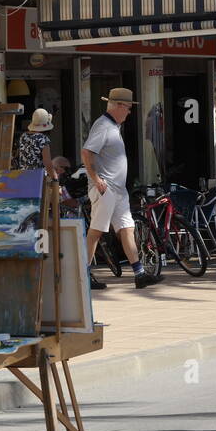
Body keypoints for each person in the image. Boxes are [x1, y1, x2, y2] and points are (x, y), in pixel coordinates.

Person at [82, 87, 161, 290]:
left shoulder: (112, 126)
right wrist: (96, 180)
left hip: (117, 190)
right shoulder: (104, 126)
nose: (129, 111)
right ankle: (83, 274)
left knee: (127, 228)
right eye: (127, 107)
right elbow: (86, 152)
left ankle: (139, 274)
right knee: (96, 232)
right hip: (106, 189)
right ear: (117, 106)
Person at [15, 108, 58, 180]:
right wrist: (55, 177)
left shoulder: (23, 136)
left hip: (23, 177)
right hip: (37, 180)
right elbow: (47, 163)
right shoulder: (43, 139)